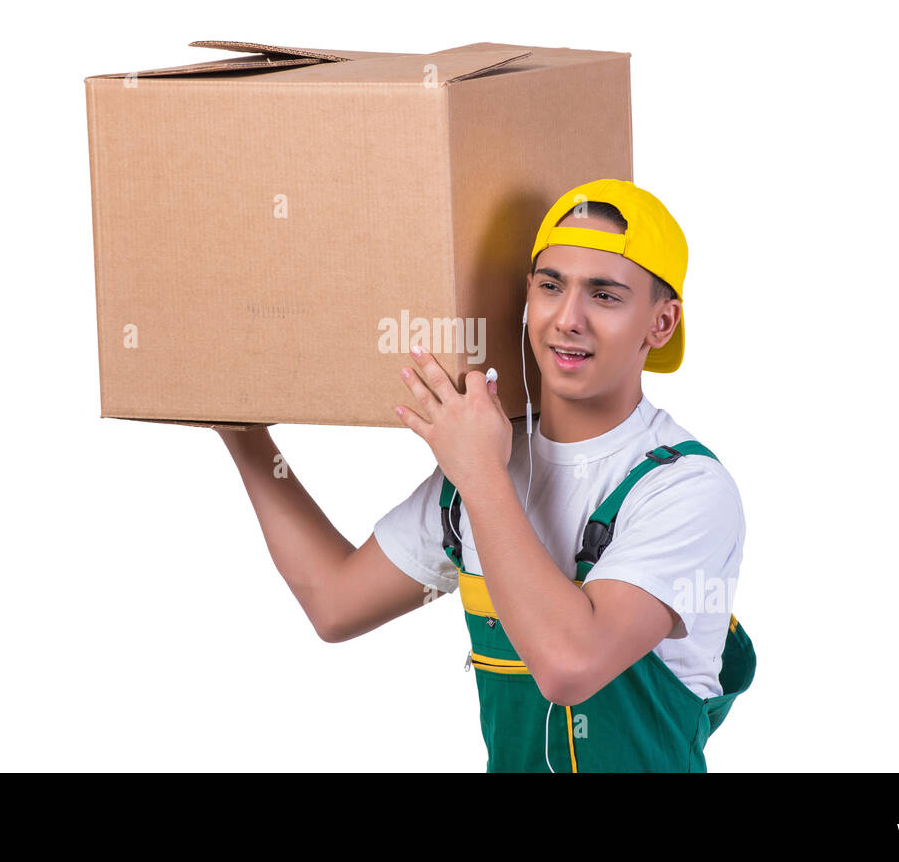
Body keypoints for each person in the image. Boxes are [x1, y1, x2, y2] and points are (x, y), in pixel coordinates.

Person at [216, 179, 756, 772]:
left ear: (661, 323)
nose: (568, 319)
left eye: (604, 296)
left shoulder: (684, 488)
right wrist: (240, 431)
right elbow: (334, 602)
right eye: (551, 286)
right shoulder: (486, 463)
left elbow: (569, 666)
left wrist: (479, 475)